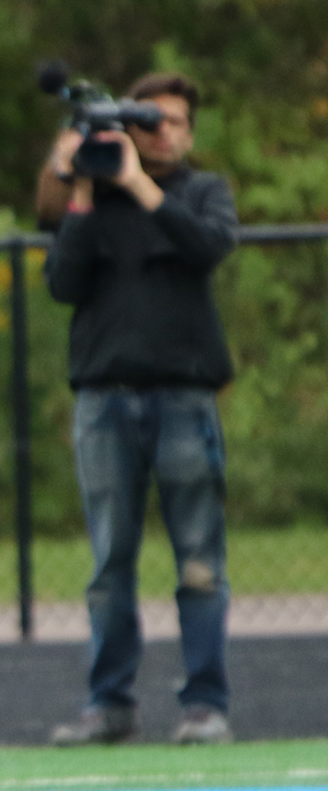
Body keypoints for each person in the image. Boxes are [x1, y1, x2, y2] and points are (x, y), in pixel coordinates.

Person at [35, 73, 237, 746]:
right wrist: (86, 188)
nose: (162, 133)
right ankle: (110, 703)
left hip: (184, 396)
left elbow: (207, 247)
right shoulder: (98, 200)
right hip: (104, 400)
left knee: (200, 559)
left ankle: (205, 702)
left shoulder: (202, 193)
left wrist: (143, 188)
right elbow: (62, 282)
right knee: (109, 561)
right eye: (149, 122)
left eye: (173, 121)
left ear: (190, 129)